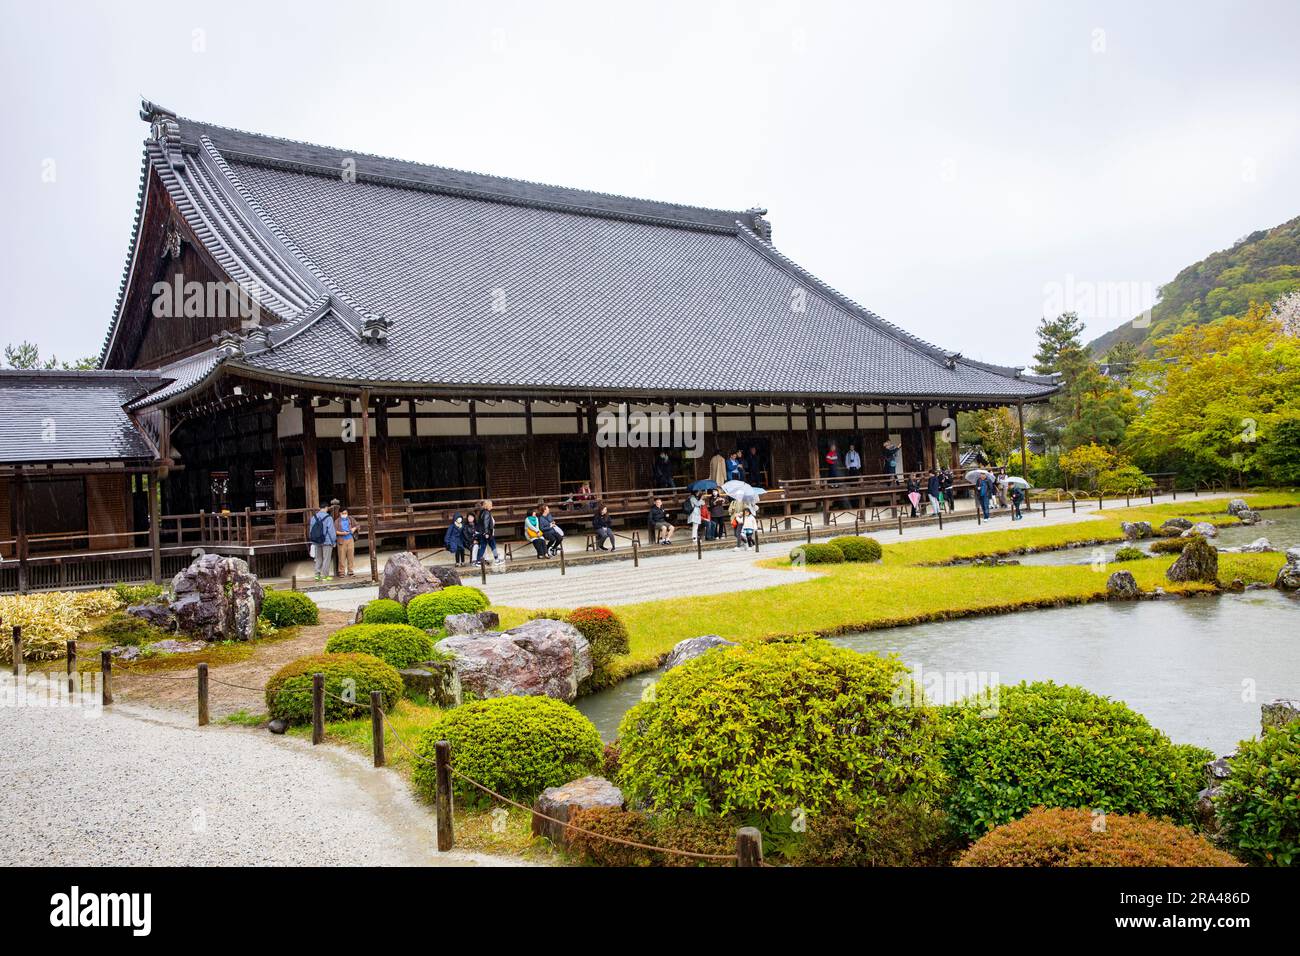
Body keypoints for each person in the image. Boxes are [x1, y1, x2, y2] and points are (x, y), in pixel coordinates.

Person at [308, 502, 337, 581]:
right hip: (327, 541)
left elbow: (311, 530)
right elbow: (331, 531)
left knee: (318, 558)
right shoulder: (328, 517)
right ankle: (325, 576)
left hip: (317, 541)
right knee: (326, 558)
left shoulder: (313, 517)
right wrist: (334, 541)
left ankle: (317, 575)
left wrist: (313, 540)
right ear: (326, 508)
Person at [476, 499, 502, 566]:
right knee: (493, 546)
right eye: (491, 505)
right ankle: (497, 559)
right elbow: (486, 523)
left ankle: (478, 561)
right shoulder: (487, 513)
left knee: (483, 547)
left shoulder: (482, 512)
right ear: (488, 506)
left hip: (483, 533)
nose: (492, 506)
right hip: (487, 533)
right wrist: (487, 533)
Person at [334, 504, 356, 577]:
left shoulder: (350, 519)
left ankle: (350, 571)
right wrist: (342, 533)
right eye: (343, 513)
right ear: (340, 513)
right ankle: (341, 572)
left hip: (350, 539)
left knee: (351, 556)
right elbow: (335, 531)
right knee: (341, 557)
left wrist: (354, 529)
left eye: (346, 513)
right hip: (341, 540)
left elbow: (357, 525)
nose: (344, 514)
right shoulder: (337, 521)